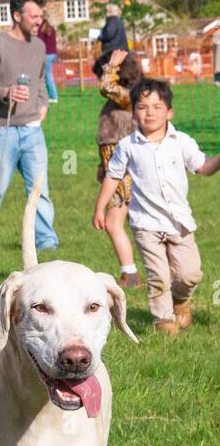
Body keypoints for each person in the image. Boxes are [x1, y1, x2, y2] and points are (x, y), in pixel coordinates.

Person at [94, 78, 220, 335]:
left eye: (157, 106)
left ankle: (181, 301)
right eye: (142, 106)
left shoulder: (181, 141)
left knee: (190, 274)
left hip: (180, 222)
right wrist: (100, 207)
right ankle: (163, 321)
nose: (149, 112)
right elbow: (113, 176)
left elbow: (203, 167)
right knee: (158, 275)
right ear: (133, 112)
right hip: (146, 224)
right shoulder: (127, 146)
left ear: (169, 112)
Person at [0, 0, 57, 249]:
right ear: (17, 16)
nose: (39, 21)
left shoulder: (40, 46)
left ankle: (46, 242)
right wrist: (5, 93)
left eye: (41, 16)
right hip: (0, 131)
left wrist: (42, 103)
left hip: (32, 130)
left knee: (40, 189)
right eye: (34, 16)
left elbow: (41, 79)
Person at [92, 49, 142, 287]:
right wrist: (101, 166)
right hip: (115, 167)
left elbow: (105, 87)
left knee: (113, 223)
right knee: (122, 223)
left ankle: (130, 275)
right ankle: (132, 272)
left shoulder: (130, 95)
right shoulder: (122, 98)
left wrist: (110, 65)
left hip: (123, 173)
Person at [38, 11, 59, 104]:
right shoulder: (51, 28)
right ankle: (50, 95)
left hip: (46, 54)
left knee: (48, 75)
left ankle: (54, 96)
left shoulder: (41, 29)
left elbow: (39, 42)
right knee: (47, 75)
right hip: (52, 53)